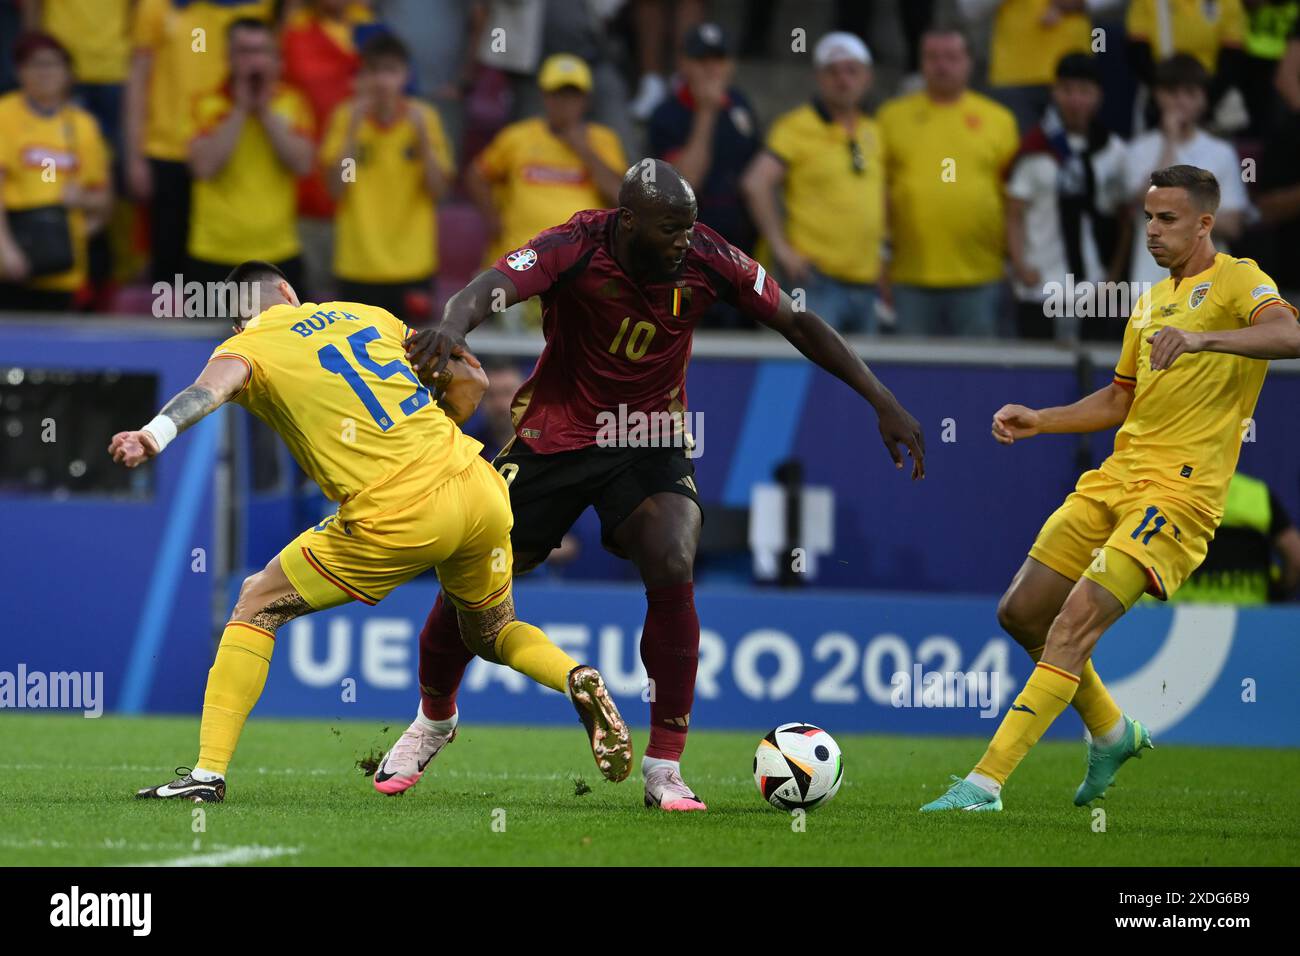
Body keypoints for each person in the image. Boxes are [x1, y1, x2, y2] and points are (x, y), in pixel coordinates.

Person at [399, 159, 926, 811]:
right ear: (628, 222)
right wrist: (452, 327)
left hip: (649, 439)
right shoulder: (573, 245)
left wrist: (881, 397)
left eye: (690, 226)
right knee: (473, 574)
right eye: (671, 228)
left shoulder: (712, 259)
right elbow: (490, 284)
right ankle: (434, 720)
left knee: (674, 555)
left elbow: (797, 323)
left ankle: (664, 767)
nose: (684, 240)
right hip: (555, 437)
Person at [111, 260, 632, 803]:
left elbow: (207, 393)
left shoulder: (248, 348)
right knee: (495, 629)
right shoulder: (364, 314)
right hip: (476, 485)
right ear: (288, 290)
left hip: (399, 512)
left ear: (237, 319)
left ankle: (206, 775)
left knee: (256, 603)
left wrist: (153, 434)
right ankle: (573, 674)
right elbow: (471, 378)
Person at [922, 165, 1300, 813]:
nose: (1152, 230)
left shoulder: (1239, 278)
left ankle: (984, 784)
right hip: (1114, 480)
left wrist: (1207, 338)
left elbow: (1292, 333)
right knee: (1022, 613)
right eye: (1147, 217)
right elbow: (1122, 397)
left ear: (1205, 223)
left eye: (1168, 219)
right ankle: (1112, 730)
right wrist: (1043, 419)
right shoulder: (1150, 302)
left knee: (1073, 626)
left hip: (1178, 497)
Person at [878, 29, 1020, 338]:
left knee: (978, 375)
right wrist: (881, 262)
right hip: (909, 275)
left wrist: (1015, 260)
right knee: (911, 374)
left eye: (952, 58)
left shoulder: (999, 120)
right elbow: (878, 194)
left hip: (981, 275)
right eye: (933, 58)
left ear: (969, 63)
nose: (942, 66)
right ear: (921, 64)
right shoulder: (892, 117)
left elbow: (1013, 199)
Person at [742, 32, 883, 333]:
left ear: (867, 77)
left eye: (851, 71)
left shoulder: (874, 130)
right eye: (833, 72)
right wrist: (781, 248)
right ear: (819, 77)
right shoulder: (796, 127)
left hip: (866, 280)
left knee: (863, 377)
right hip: (816, 280)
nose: (843, 80)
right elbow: (756, 183)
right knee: (811, 373)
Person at [125, 0, 272, 287]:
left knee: (219, 267)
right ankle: (167, 331)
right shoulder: (156, 7)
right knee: (168, 268)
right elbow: (137, 81)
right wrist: (134, 157)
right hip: (167, 151)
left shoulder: (259, 8)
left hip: (225, 147)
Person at [321, 32, 453, 321]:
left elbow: (438, 190)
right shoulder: (346, 118)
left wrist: (422, 140)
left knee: (415, 359)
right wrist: (354, 130)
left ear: (405, 76)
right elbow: (335, 189)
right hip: (357, 265)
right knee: (355, 360)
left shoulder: (425, 119)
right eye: (374, 71)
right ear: (363, 77)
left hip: (412, 266)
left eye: (390, 71)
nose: (382, 81)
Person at [1005, 54, 1128, 341]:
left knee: (1096, 377)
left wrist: (1114, 274)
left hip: (1096, 288)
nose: (1076, 101)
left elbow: (1126, 221)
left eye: (1084, 92)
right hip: (1041, 285)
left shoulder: (1114, 152)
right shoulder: (1034, 148)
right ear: (1055, 93)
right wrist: (1020, 265)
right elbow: (1013, 213)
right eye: (1068, 90)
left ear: (1098, 96)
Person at [186, 18, 315, 291]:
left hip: (279, 253)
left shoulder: (294, 103)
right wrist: (241, 109)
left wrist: (265, 111)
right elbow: (204, 167)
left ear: (274, 58)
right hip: (214, 253)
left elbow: (303, 164)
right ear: (229, 58)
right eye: (245, 52)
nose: (254, 61)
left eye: (261, 51)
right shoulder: (204, 102)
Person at [0, 32, 110, 312]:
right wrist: (6, 249)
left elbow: (103, 200)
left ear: (68, 72)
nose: (45, 73)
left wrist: (81, 209)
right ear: (20, 70)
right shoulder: (6, 115)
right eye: (36, 64)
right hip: (13, 261)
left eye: (54, 64)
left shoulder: (83, 125)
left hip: (63, 269)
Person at [1123, 55, 1247, 294]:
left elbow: (1233, 224)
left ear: (1203, 99)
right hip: (1151, 284)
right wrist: (1169, 141)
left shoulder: (1221, 153)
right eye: (1172, 92)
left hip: (1210, 287)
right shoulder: (1138, 150)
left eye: (1190, 93)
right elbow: (1145, 201)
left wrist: (1180, 216)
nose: (1180, 101)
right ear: (1158, 95)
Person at [648, 23, 760, 255]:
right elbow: (684, 184)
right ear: (683, 64)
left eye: (719, 59)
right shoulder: (666, 114)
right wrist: (706, 112)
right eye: (702, 60)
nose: (711, 69)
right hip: (691, 246)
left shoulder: (739, 103)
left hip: (742, 245)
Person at [957, 0, 1094, 131]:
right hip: (1015, 78)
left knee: (1075, 149)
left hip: (1074, 77)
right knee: (1018, 149)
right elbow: (970, 9)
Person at [1172, 471, 1300, 603]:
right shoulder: (1257, 494)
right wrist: (1277, 595)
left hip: (1168, 612)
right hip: (1249, 612)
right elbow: (1296, 559)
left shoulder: (1164, 490)